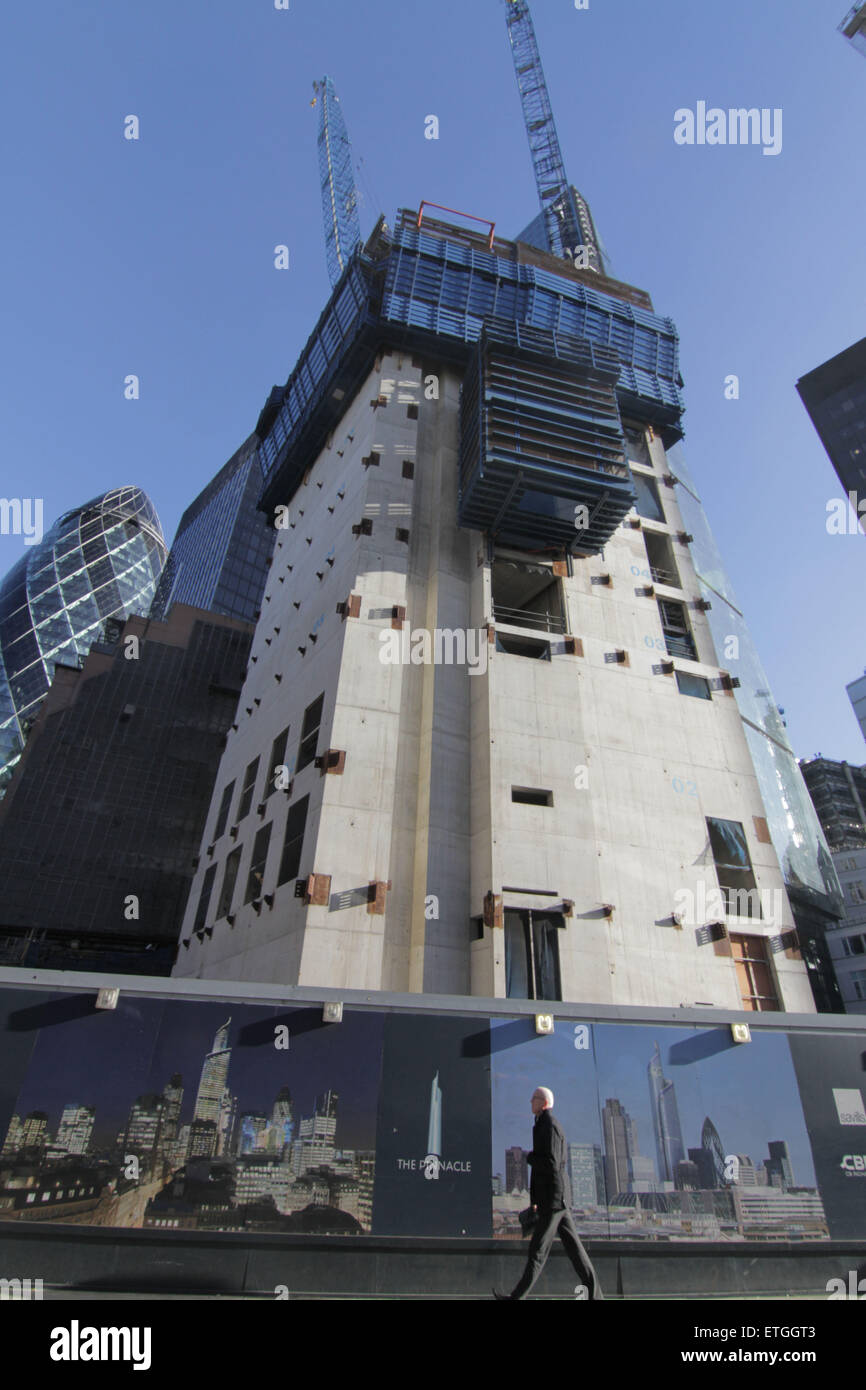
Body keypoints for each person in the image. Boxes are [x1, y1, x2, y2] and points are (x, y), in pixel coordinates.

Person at [494, 1086, 603, 1301]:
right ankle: (596, 1297)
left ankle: (516, 1298)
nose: (530, 1102)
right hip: (555, 1200)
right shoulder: (542, 1125)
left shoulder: (550, 1125)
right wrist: (535, 1199)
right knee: (575, 1252)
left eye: (533, 1099)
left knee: (538, 1251)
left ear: (543, 1103)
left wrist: (531, 1158)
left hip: (554, 1201)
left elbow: (552, 1163)